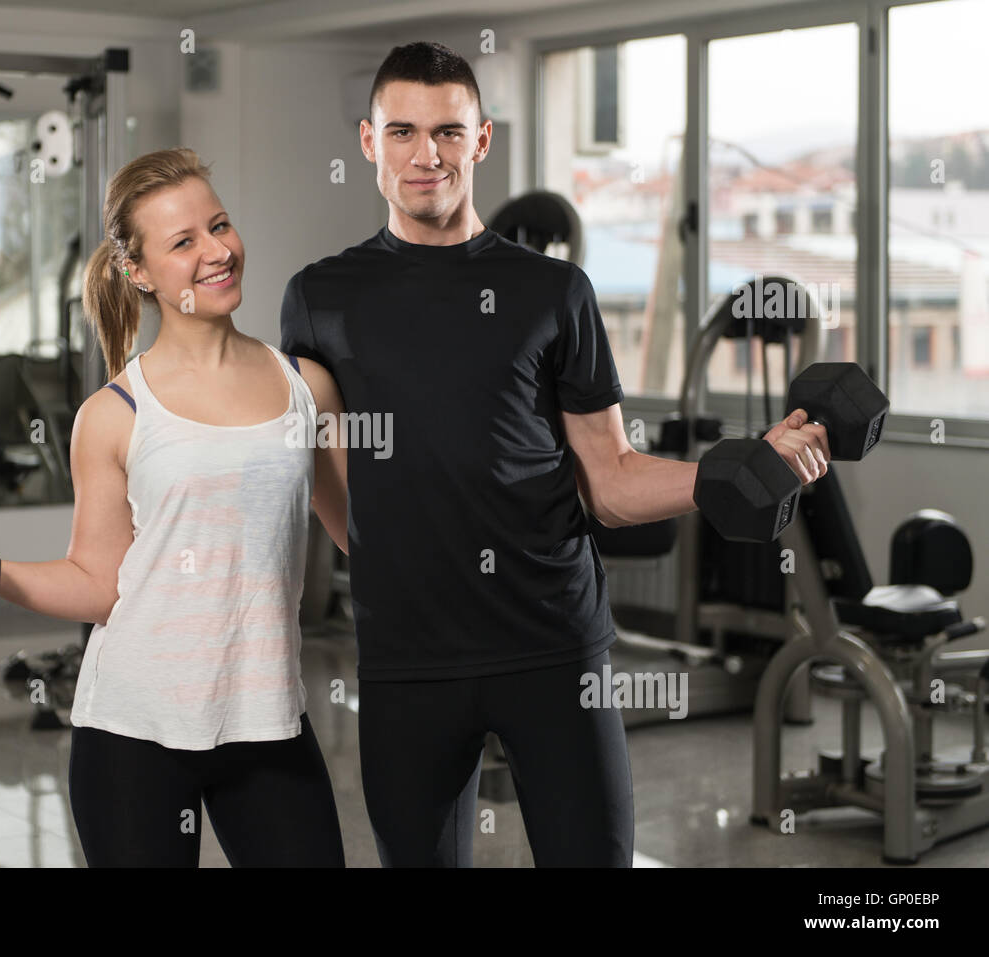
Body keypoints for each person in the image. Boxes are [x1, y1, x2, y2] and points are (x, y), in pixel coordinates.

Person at [279, 41, 831, 867]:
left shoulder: (552, 291)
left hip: (554, 649)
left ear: (482, 140)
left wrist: (745, 462)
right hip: (408, 658)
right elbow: (318, 454)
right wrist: (381, 547)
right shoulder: (320, 297)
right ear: (368, 142)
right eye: (401, 132)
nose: (425, 155)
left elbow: (610, 480)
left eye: (448, 133)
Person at [0, 147, 350, 867]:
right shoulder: (113, 414)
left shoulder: (307, 387)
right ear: (138, 272)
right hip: (133, 731)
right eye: (183, 241)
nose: (217, 251)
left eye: (220, 224)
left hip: (267, 721)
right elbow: (98, 583)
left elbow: (364, 534)